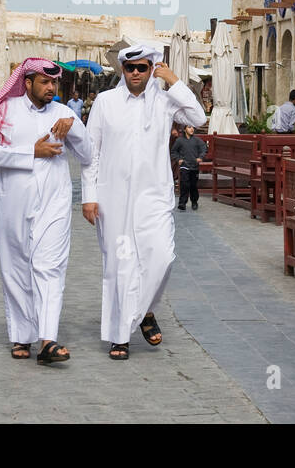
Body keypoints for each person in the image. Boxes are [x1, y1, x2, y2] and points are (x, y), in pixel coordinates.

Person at [81, 44, 205, 360]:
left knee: (162, 257)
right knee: (120, 266)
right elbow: (90, 153)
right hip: (113, 198)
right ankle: (119, 336)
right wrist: (89, 196)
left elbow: (198, 118)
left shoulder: (165, 103)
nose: (136, 73)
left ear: (151, 70)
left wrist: (175, 82)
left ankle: (145, 310)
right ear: (122, 70)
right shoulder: (106, 103)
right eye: (130, 68)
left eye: (142, 68)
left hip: (155, 196)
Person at [0, 58, 92, 365]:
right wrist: (32, 151)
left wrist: (76, 130)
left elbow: (88, 155)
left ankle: (47, 339)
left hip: (54, 204)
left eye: (54, 83)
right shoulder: (3, 110)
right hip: (12, 202)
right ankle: (21, 335)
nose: (51, 88)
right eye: (44, 82)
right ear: (27, 82)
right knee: (15, 267)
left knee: (50, 267)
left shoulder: (64, 114)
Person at [171, 124, 207, 211]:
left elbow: (204, 148)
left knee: (193, 185)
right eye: (189, 127)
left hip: (194, 166)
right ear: (184, 129)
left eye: (192, 127)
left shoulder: (197, 140)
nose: (192, 129)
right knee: (184, 184)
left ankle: (194, 202)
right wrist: (178, 159)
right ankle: (182, 203)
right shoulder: (180, 140)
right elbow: (174, 151)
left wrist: (200, 157)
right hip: (184, 166)